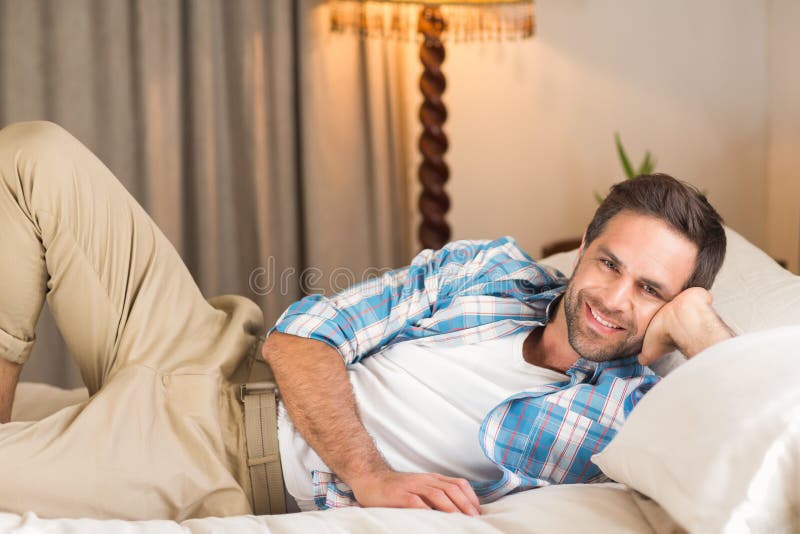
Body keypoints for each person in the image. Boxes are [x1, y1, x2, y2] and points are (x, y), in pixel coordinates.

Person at [0, 121, 734, 520]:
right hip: (208, 342)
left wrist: (703, 334)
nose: (613, 299)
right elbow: (302, 335)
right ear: (583, 246)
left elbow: (770, 435)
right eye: (608, 263)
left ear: (675, 304)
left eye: (649, 289)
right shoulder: (490, 270)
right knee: (32, 156)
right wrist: (370, 474)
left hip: (209, 455)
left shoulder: (629, 416)